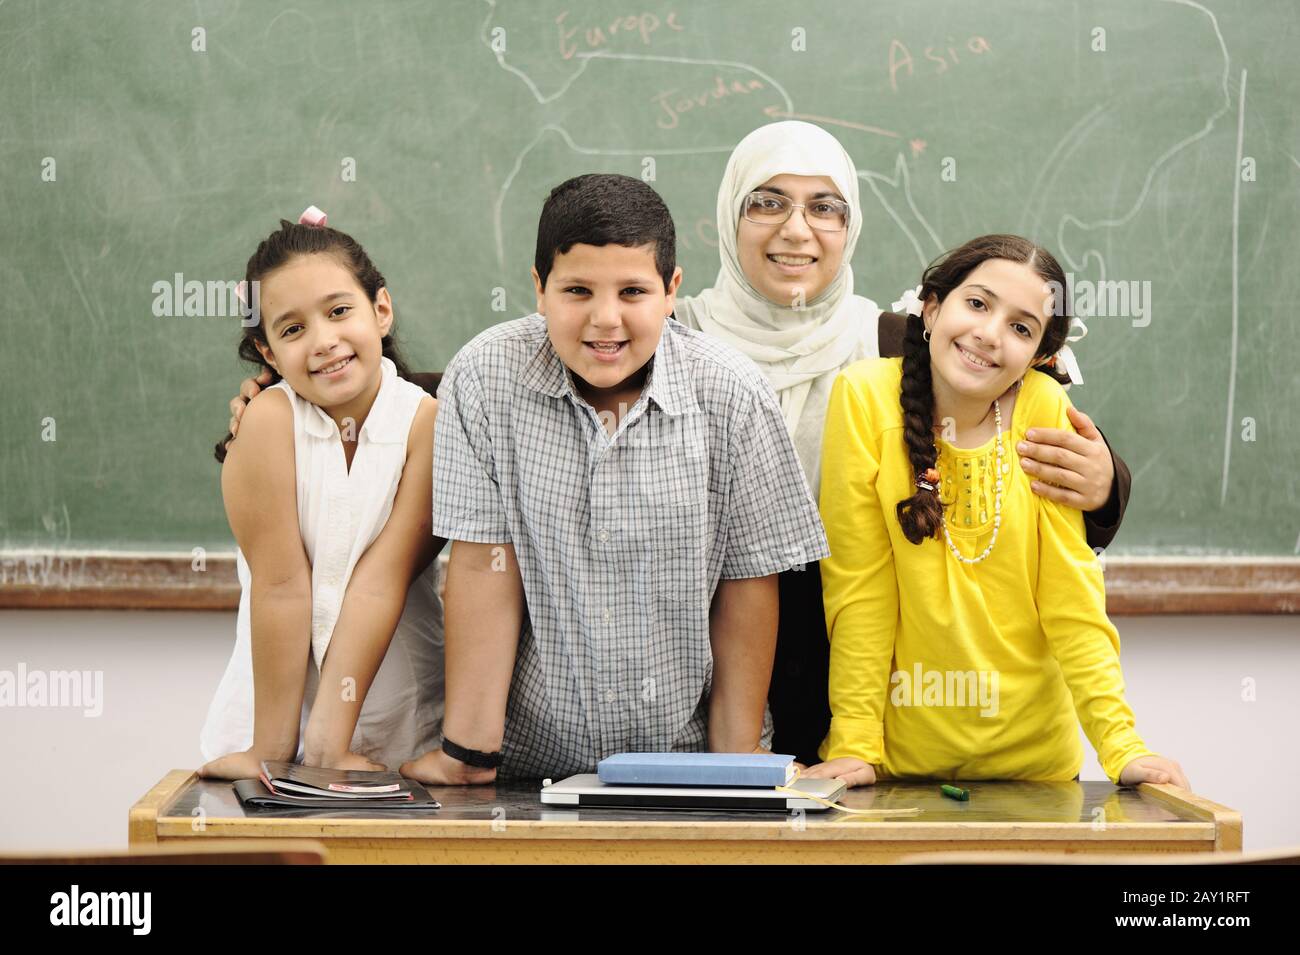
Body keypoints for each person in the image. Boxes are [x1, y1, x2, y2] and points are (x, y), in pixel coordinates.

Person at [674, 121, 1132, 763]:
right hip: (687, 673)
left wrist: (1108, 482)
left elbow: (1035, 431)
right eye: (767, 201)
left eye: (824, 208)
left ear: (851, 224)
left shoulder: (895, 338)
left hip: (854, 691)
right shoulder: (666, 333)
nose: (796, 230)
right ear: (730, 212)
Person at [399, 173, 827, 783]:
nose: (606, 320)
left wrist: (736, 762)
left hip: (687, 761)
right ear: (539, 287)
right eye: (577, 290)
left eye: (633, 291)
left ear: (672, 290)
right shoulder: (485, 378)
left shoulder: (732, 393)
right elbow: (480, 566)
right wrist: (470, 753)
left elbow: (749, 583)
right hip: (530, 758)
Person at [800, 234, 1188, 788]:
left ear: (1040, 356)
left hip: (1035, 768)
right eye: (977, 304)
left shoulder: (1044, 409)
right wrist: (856, 742)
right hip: (900, 765)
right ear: (933, 308)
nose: (989, 334)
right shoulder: (862, 398)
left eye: (1021, 327)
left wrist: (1121, 746)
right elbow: (859, 588)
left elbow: (1071, 598)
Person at [198, 209, 445, 779]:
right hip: (269, 723)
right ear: (267, 353)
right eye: (292, 329)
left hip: (402, 723)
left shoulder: (428, 424)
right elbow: (282, 588)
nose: (324, 341)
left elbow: (381, 580)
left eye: (339, 311)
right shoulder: (265, 423)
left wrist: (330, 745)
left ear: (381, 310)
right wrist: (272, 751)